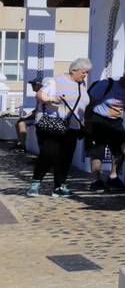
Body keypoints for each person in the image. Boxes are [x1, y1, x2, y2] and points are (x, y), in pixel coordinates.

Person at [27, 58, 91, 197]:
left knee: (65, 157)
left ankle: (59, 186)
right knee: (49, 153)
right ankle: (35, 183)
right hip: (52, 124)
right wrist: (52, 99)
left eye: (86, 73)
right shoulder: (55, 81)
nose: (85, 75)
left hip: (73, 127)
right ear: (74, 70)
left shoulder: (82, 84)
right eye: (83, 72)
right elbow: (40, 95)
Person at [84, 66, 125, 192]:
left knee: (122, 149)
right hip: (99, 119)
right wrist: (87, 121)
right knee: (98, 151)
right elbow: (89, 102)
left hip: (115, 122)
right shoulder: (106, 84)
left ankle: (113, 176)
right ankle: (96, 181)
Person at [13, 78, 42, 153]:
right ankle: (20, 143)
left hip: (40, 118)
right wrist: (25, 116)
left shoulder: (42, 94)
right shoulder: (38, 94)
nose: (32, 86)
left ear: (39, 85)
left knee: (21, 123)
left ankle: (22, 146)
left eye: (33, 84)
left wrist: (26, 117)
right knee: (19, 122)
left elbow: (38, 111)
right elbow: (36, 110)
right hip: (36, 116)